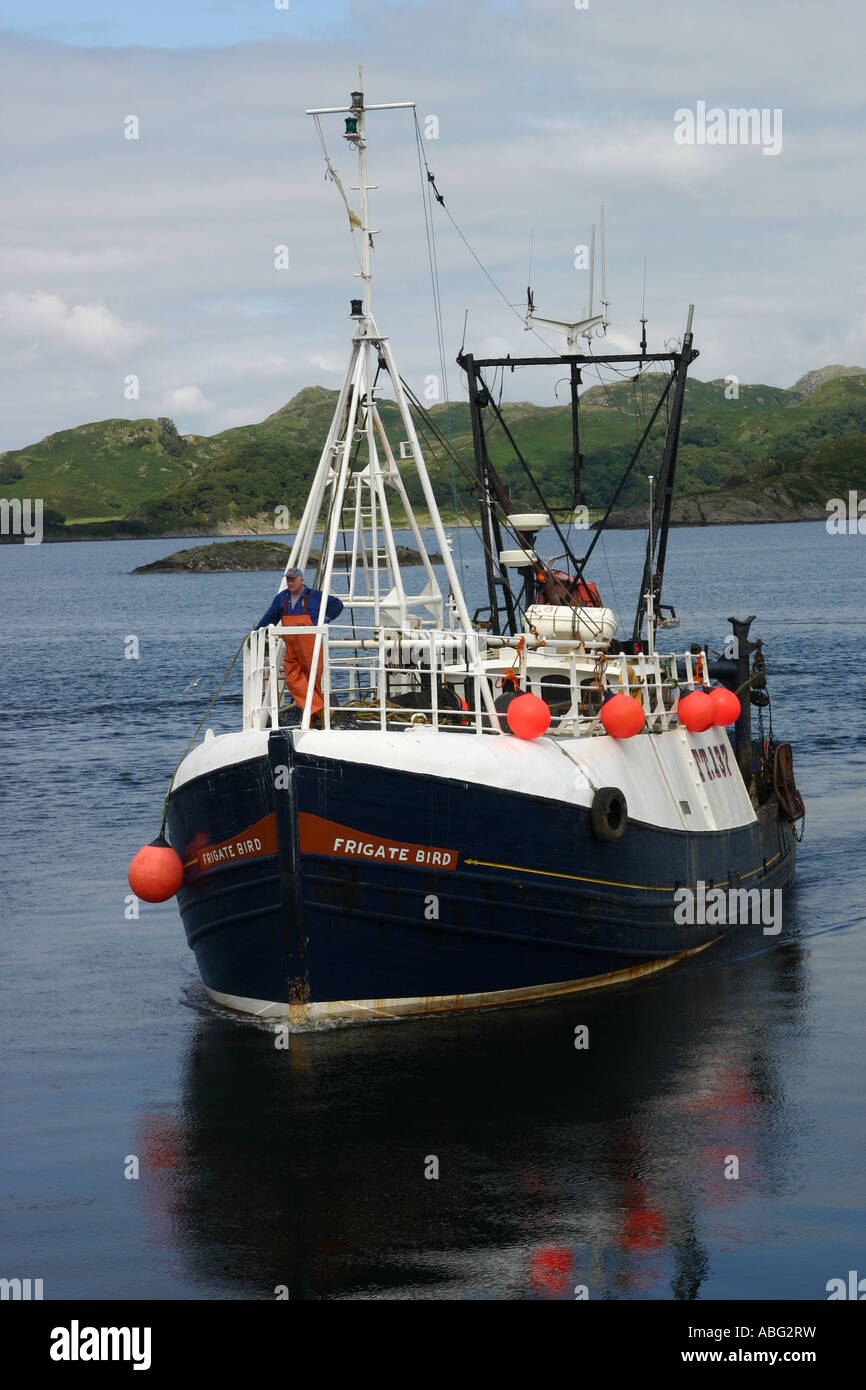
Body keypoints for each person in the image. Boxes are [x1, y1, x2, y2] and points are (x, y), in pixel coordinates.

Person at [256, 569, 344, 721]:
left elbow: (338, 605)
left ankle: (312, 717)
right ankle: (321, 711)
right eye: (288, 580)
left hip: (311, 646)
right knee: (291, 678)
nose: (290, 583)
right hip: (292, 647)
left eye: (293, 579)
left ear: (301, 580)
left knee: (313, 681)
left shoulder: (316, 596)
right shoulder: (281, 598)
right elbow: (269, 617)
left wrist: (323, 621)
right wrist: (256, 634)